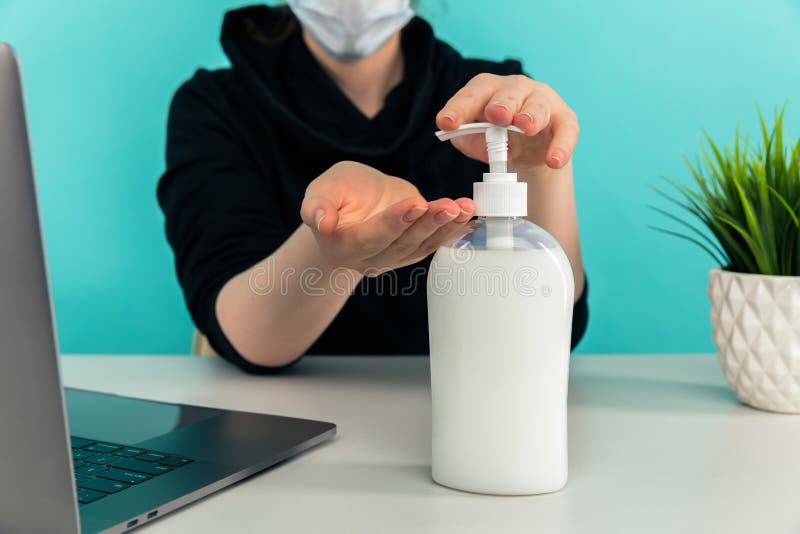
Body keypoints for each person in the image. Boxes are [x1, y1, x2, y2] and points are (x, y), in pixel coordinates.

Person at [157, 1, 588, 373]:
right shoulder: (217, 106)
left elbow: (554, 324)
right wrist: (330, 252)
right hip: (283, 419)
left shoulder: (494, 105)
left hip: (470, 400)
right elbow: (242, 336)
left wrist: (539, 168)